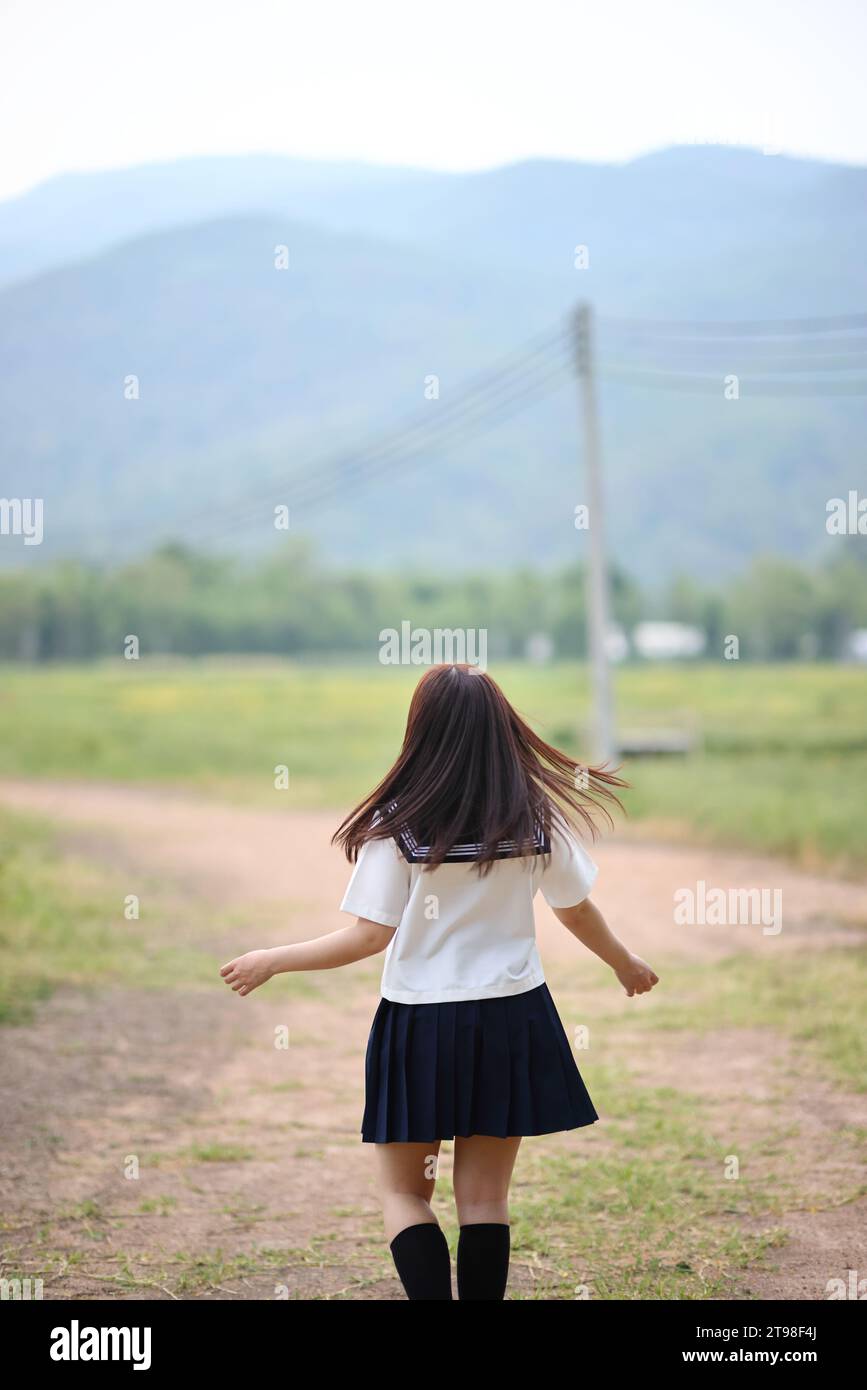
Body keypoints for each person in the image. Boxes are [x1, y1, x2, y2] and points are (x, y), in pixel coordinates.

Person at [220, 664, 659, 1300]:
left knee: (403, 1192)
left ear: (421, 732)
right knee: (485, 1199)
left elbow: (369, 937)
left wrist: (272, 959)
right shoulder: (534, 818)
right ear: (501, 730)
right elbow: (574, 908)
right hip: (512, 1019)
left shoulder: (400, 824)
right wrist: (623, 962)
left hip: (422, 1023)